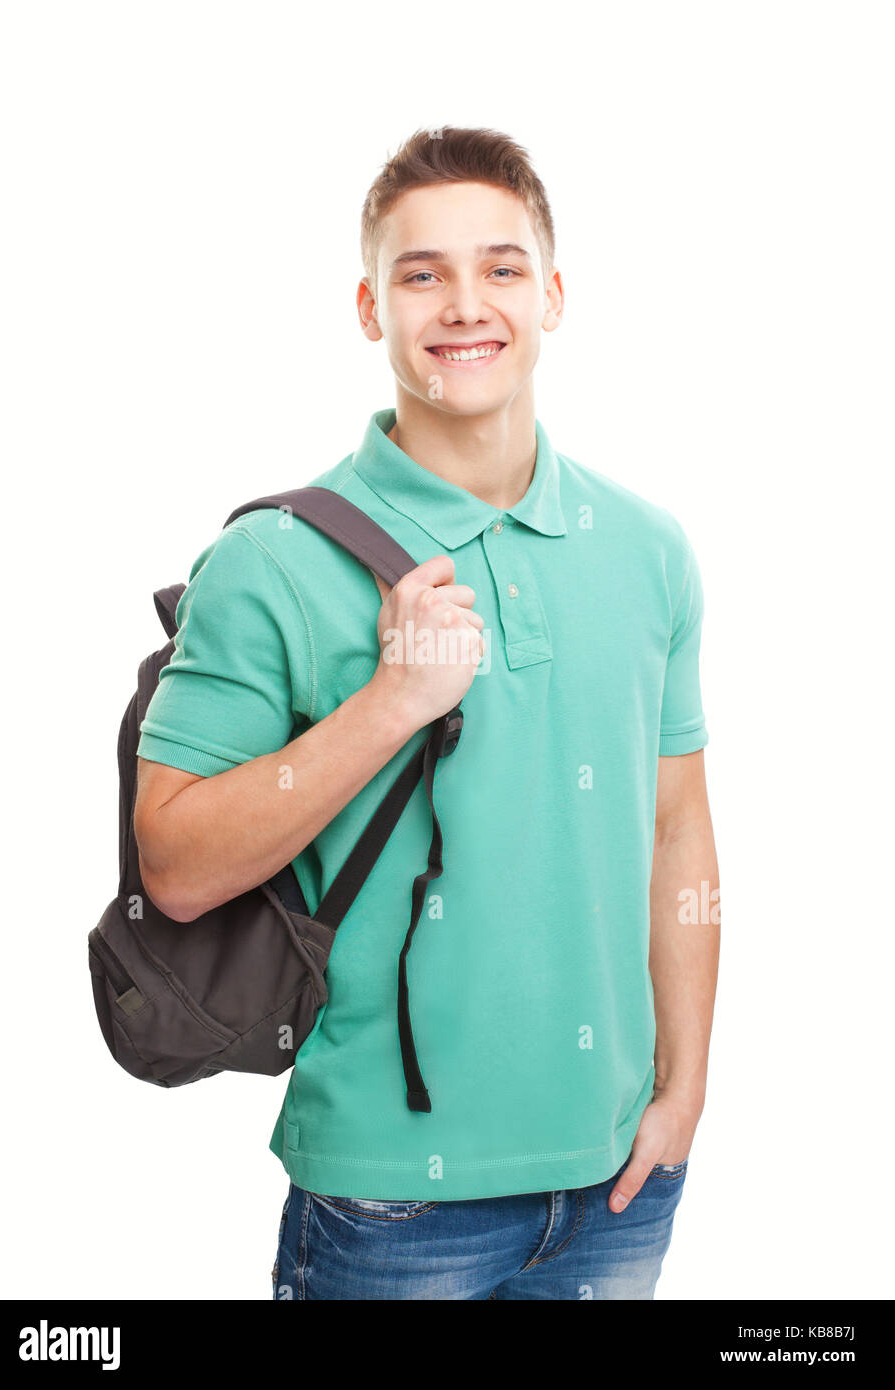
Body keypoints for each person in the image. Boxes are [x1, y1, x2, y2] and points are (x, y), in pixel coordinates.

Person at [134, 126, 720, 1301]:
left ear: (552, 296)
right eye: (422, 274)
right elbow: (176, 867)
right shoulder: (274, 562)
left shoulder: (648, 550)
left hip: (615, 1186)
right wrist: (390, 702)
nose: (466, 304)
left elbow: (677, 833)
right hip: (387, 1206)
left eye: (502, 269)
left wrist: (685, 1092)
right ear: (369, 308)